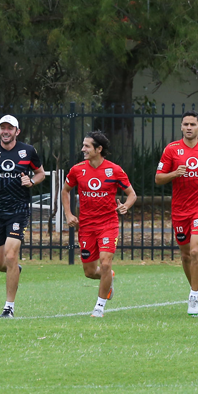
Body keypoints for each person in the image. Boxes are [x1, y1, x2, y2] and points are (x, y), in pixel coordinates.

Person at [0, 115, 45, 318]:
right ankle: (15, 269)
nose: (6, 131)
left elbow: (40, 173)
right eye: (3, 128)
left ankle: (9, 308)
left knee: (11, 255)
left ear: (17, 131)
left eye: (10, 128)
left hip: (18, 210)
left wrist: (31, 182)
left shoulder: (28, 151)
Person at [62, 131, 137, 317]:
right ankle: (108, 277)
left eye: (87, 146)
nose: (83, 149)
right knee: (89, 272)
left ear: (99, 149)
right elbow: (65, 191)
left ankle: (99, 307)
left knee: (105, 263)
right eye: (83, 145)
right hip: (86, 226)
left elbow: (131, 194)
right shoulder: (77, 170)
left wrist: (126, 206)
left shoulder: (114, 170)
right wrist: (68, 214)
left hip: (108, 224)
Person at [155, 111, 198, 317]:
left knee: (196, 251)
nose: (189, 127)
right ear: (181, 127)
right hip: (180, 208)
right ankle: (195, 288)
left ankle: (193, 296)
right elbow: (158, 178)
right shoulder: (171, 150)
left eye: (192, 124)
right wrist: (174, 173)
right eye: (185, 124)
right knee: (185, 254)